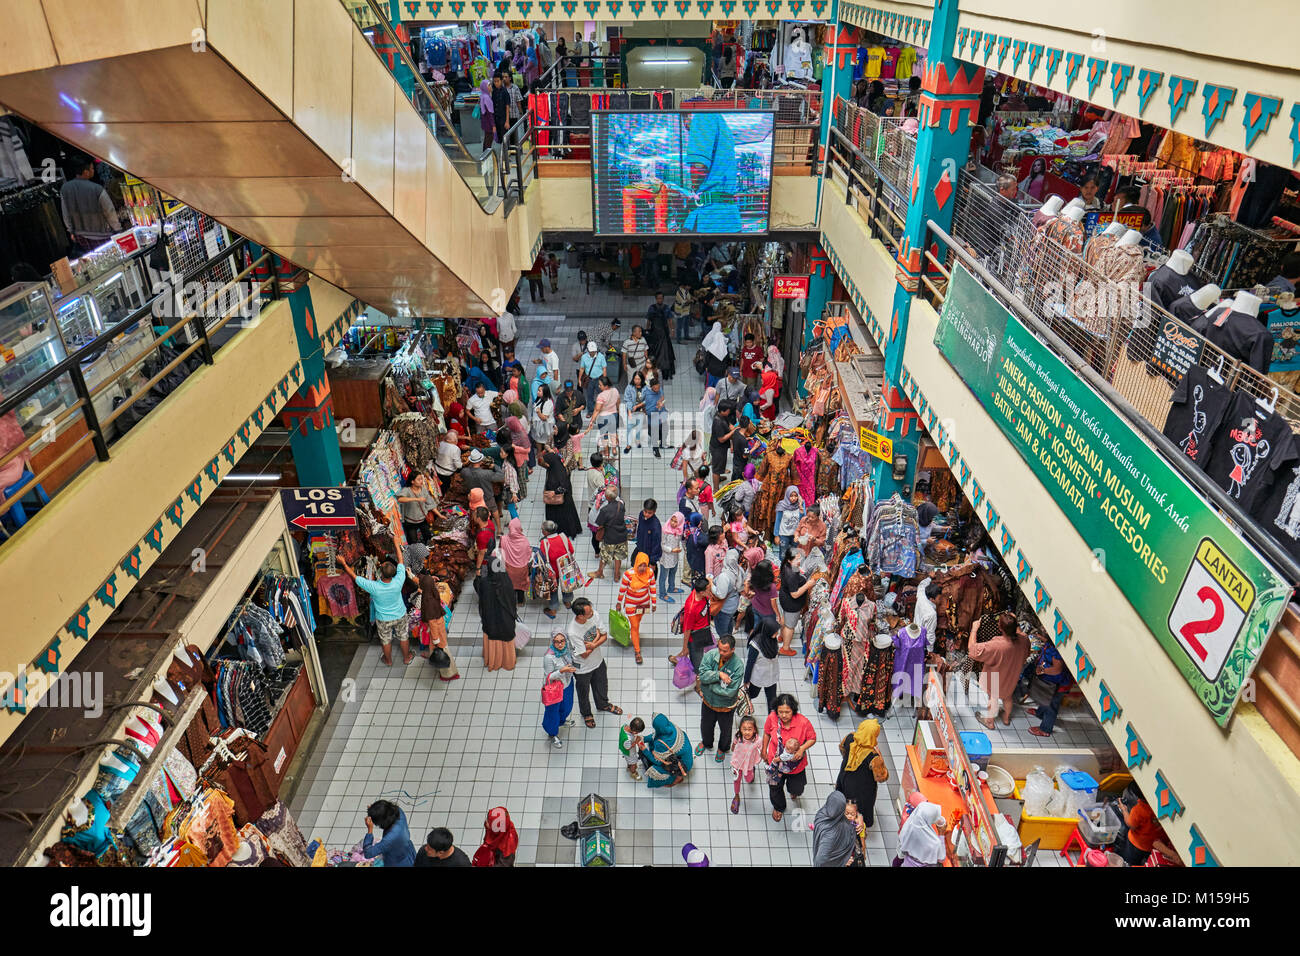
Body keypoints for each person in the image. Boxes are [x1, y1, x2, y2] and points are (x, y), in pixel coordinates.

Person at [340, 557, 412, 666]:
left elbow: (355, 577)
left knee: (386, 640)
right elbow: (401, 561)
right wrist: (397, 543)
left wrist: (344, 564)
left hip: (383, 619)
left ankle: (388, 661)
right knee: (403, 636)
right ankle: (407, 658)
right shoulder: (399, 580)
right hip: (400, 615)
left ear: (381, 573)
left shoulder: (374, 586)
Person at [969, 611, 1032, 729]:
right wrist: (1014, 623)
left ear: (1000, 628)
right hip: (1012, 676)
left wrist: (974, 629)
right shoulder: (1024, 640)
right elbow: (1021, 636)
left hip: (995, 678)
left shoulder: (996, 645)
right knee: (1008, 697)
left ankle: (990, 721)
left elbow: (972, 650)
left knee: (993, 697)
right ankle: (1006, 718)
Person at [566, 597, 621, 729]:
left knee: (602, 684)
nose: (592, 614)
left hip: (598, 661)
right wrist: (597, 638)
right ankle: (586, 714)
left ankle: (603, 704)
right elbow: (584, 654)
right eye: (588, 613)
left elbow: (604, 635)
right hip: (582, 669)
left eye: (591, 610)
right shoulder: (573, 632)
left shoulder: (594, 615)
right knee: (583, 692)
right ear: (580, 616)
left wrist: (593, 643)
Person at [762, 694, 817, 822]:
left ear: (793, 710)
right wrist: (764, 750)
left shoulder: (803, 722)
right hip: (775, 764)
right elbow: (766, 733)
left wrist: (802, 748)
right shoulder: (772, 718)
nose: (784, 715)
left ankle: (793, 791)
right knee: (775, 788)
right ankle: (778, 807)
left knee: (797, 788)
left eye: (787, 712)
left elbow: (812, 738)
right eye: (780, 712)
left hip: (795, 766)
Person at [695, 633, 743, 763]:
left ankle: (722, 748)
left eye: (725, 650)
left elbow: (730, 692)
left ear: (733, 649)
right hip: (708, 702)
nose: (721, 652)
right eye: (719, 648)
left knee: (726, 730)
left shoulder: (738, 666)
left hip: (726, 706)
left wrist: (709, 687)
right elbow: (703, 675)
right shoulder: (711, 655)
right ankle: (706, 743)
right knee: (706, 725)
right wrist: (718, 675)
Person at [835, 719, 888, 827]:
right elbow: (882, 777)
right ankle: (859, 824)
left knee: (843, 799)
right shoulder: (873, 756)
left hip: (844, 778)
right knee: (862, 806)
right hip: (862, 788)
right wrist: (880, 756)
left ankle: (841, 816)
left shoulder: (850, 737)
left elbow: (842, 748)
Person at [409, 567, 458, 681]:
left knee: (442, 651)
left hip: (437, 634)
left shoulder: (428, 601)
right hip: (439, 629)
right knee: (439, 649)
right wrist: (411, 575)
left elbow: (432, 623)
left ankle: (448, 674)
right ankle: (433, 657)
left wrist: (436, 640)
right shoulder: (432, 592)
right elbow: (422, 582)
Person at [61, 160, 121, 251]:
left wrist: (70, 230)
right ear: (86, 172)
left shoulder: (65, 188)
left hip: (80, 236)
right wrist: (117, 229)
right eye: (92, 168)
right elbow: (109, 211)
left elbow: (65, 212)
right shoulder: (97, 189)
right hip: (101, 235)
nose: (94, 171)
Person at [477, 548, 518, 671]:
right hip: (505, 620)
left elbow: (480, 577)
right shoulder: (505, 581)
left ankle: (492, 660)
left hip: (490, 621)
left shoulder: (483, 583)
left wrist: (482, 564)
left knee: (492, 637)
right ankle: (508, 661)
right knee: (505, 637)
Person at [616, 550, 657, 665]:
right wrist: (619, 602)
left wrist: (653, 603)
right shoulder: (628, 574)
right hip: (630, 604)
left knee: (637, 624)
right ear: (636, 563)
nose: (643, 568)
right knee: (634, 625)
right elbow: (622, 590)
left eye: (645, 565)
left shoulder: (650, 573)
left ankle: (635, 636)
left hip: (643, 604)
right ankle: (637, 651)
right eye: (640, 565)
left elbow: (652, 588)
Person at [1026, 641, 1073, 737]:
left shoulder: (1057, 652)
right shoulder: (1050, 644)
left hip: (1058, 684)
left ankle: (1045, 729)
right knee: (1045, 696)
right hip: (1049, 681)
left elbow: (1057, 669)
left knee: (1052, 706)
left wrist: (1042, 670)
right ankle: (1040, 713)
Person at [541, 632, 578, 749]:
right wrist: (562, 671)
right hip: (555, 689)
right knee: (552, 712)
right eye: (557, 641)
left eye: (562, 640)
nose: (560, 644)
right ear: (552, 642)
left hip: (567, 685)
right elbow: (549, 676)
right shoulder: (549, 657)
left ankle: (561, 721)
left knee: (566, 707)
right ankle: (552, 733)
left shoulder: (567, 650)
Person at [672, 576, 714, 674]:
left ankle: (676, 658)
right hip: (696, 638)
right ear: (701, 592)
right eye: (709, 589)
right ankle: (698, 685)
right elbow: (687, 629)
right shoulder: (691, 609)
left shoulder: (702, 594)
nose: (711, 590)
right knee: (698, 664)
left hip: (705, 629)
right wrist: (685, 647)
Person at [541, 445, 583, 540]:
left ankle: (562, 532)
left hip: (561, 501)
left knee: (563, 518)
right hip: (554, 501)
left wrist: (554, 492)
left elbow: (565, 486)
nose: (546, 464)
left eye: (547, 462)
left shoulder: (560, 471)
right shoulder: (554, 468)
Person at [777, 547, 814, 655]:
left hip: (784, 598)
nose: (800, 561)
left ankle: (781, 636)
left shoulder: (786, 565)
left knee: (785, 617)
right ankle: (785, 648)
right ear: (789, 560)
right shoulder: (791, 574)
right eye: (797, 559)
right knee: (790, 626)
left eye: (800, 558)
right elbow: (795, 594)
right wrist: (808, 585)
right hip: (791, 602)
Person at [813, 792, 864, 867]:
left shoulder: (822, 814)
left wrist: (859, 816)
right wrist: (842, 862)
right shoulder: (832, 834)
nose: (849, 816)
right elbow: (821, 861)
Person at [360, 799, 416, 867]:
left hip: (397, 863)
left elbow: (368, 853)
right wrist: (374, 811)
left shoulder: (389, 839)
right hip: (407, 850)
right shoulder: (398, 811)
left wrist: (370, 829)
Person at [643, 713, 693, 788]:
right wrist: (643, 739)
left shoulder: (661, 744)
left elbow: (658, 761)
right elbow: (655, 735)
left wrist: (644, 750)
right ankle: (679, 777)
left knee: (655, 770)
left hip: (680, 766)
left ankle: (674, 780)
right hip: (687, 760)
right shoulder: (672, 727)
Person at [1116, 787, 1161, 865]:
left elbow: (1131, 825)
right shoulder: (1159, 806)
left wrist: (1124, 810)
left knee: (1128, 862)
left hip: (1136, 844)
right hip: (1153, 845)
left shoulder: (1139, 809)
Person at [592, 486, 629, 581]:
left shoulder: (604, 510)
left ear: (607, 497)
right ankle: (616, 575)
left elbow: (599, 524)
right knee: (618, 557)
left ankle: (600, 572)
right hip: (621, 536)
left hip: (609, 538)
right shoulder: (621, 505)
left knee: (604, 556)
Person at [895, 801, 948, 866]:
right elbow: (941, 858)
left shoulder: (908, 828)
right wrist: (941, 833)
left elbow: (901, 854)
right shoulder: (933, 844)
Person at [729, 715, 763, 814]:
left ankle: (752, 772)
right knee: (737, 780)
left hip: (749, 765)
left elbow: (762, 749)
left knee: (749, 779)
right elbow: (734, 743)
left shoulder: (758, 740)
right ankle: (736, 796)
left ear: (755, 730)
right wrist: (733, 746)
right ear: (740, 729)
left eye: (750, 729)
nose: (747, 732)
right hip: (737, 764)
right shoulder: (738, 736)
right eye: (744, 729)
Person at [461, 448, 506, 520]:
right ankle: (499, 529)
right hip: (487, 497)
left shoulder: (464, 471)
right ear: (480, 461)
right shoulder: (487, 473)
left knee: (474, 511)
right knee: (494, 509)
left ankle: (475, 525)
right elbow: (501, 477)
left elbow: (464, 474)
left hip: (474, 497)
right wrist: (495, 466)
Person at [396, 473, 439, 545]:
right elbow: (400, 499)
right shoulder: (407, 490)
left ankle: (429, 551)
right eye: (419, 479)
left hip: (422, 520)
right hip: (410, 522)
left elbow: (430, 504)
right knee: (413, 542)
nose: (421, 481)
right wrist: (416, 499)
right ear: (412, 481)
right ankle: (418, 555)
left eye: (421, 479)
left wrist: (440, 515)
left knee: (428, 537)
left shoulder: (423, 490)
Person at [645, 292, 677, 380]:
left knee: (665, 352)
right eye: (658, 298)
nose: (660, 300)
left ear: (663, 299)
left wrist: (672, 330)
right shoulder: (652, 308)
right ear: (656, 299)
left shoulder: (666, 308)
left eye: (661, 298)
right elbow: (648, 320)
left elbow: (670, 320)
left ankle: (665, 370)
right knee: (654, 351)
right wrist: (647, 330)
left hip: (664, 333)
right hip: (654, 333)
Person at [500, 517, 533, 602]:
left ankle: (511, 600)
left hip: (509, 568)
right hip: (522, 569)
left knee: (511, 584)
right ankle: (520, 601)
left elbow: (500, 550)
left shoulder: (503, 539)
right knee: (520, 585)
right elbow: (528, 555)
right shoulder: (524, 541)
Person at [709, 401, 738, 491]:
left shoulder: (723, 416)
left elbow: (729, 424)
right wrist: (733, 431)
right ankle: (716, 489)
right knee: (716, 469)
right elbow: (721, 439)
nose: (729, 412)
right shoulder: (718, 422)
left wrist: (733, 427)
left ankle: (719, 478)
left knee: (720, 465)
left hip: (722, 448)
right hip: (717, 448)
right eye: (728, 411)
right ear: (723, 411)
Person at [774, 486, 805, 561]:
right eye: (791, 496)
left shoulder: (800, 505)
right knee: (783, 554)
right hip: (784, 535)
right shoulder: (782, 505)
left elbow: (803, 520)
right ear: (787, 495)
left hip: (795, 535)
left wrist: (801, 507)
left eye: (795, 496)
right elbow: (778, 521)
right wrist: (776, 535)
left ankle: (792, 570)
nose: (793, 498)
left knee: (794, 554)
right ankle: (783, 569)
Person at [659, 511, 685, 600]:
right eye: (672, 520)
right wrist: (672, 550)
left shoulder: (679, 530)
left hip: (675, 557)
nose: (673, 523)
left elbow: (681, 541)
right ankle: (662, 593)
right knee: (663, 576)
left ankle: (671, 588)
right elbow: (662, 545)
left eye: (675, 521)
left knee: (673, 573)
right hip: (666, 558)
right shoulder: (665, 530)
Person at [577, 340, 607, 416]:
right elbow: (582, 369)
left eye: (594, 351)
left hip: (599, 379)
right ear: (588, 350)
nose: (592, 353)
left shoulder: (601, 357)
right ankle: (590, 411)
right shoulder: (584, 357)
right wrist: (579, 379)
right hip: (589, 380)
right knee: (589, 396)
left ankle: (603, 409)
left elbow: (604, 368)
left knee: (602, 395)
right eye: (591, 351)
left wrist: (605, 381)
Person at [622, 370, 648, 453]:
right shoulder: (629, 387)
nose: (636, 381)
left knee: (639, 427)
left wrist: (638, 406)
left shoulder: (645, 388)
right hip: (631, 411)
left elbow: (647, 399)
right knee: (629, 428)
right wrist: (629, 411)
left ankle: (637, 440)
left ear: (642, 380)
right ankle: (628, 445)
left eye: (638, 379)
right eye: (635, 379)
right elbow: (627, 399)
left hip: (640, 411)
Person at [634, 497, 662, 569]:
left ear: (654, 512)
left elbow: (656, 544)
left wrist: (653, 562)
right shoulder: (641, 515)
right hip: (640, 549)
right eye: (645, 511)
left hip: (650, 555)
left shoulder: (656, 525)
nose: (646, 514)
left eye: (649, 513)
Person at [590, 374, 621, 440]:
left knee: (604, 434)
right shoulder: (615, 390)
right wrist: (618, 411)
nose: (599, 386)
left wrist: (592, 420)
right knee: (613, 432)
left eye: (600, 385)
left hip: (604, 418)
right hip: (614, 416)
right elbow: (618, 403)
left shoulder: (601, 396)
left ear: (606, 386)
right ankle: (615, 449)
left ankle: (606, 450)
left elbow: (597, 410)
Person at [645, 375, 669, 456]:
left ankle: (663, 444)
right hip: (653, 418)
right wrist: (657, 407)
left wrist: (662, 405)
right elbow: (647, 412)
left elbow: (662, 396)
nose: (658, 390)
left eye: (658, 387)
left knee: (664, 431)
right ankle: (655, 449)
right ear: (651, 387)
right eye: (655, 389)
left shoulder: (660, 389)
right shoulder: (648, 396)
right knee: (655, 435)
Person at [682, 512, 707, 588]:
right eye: (700, 521)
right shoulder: (696, 535)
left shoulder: (687, 527)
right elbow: (706, 541)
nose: (701, 522)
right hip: (697, 559)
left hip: (691, 556)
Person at [619, 716, 647, 781]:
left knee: (630, 762)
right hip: (629, 753)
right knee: (633, 764)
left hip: (625, 750)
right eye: (637, 732)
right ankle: (633, 772)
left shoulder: (624, 726)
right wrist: (636, 741)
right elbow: (627, 748)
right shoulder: (628, 739)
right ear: (634, 732)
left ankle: (629, 766)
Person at [702, 321, 729, 387]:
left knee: (710, 385)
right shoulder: (725, 349)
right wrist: (726, 369)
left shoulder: (711, 349)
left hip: (711, 370)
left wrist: (706, 367)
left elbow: (707, 359)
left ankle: (709, 396)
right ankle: (717, 397)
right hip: (721, 371)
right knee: (719, 386)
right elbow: (727, 361)